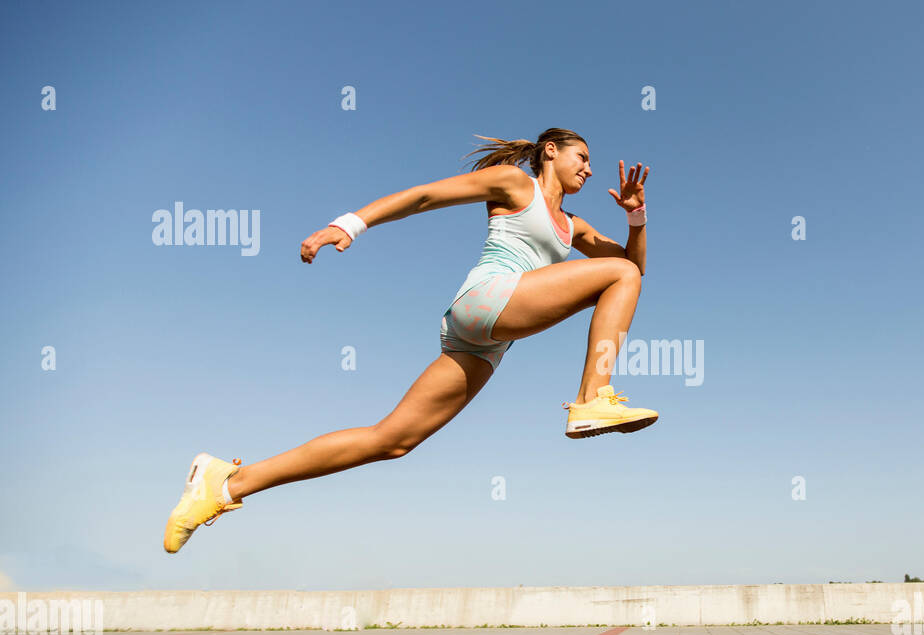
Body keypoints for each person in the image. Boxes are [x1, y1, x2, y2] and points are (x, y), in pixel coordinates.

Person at [163, 128, 657, 554]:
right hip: (487, 299)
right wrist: (349, 223)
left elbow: (634, 268)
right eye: (583, 158)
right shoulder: (514, 184)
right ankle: (593, 398)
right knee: (614, 275)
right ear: (550, 151)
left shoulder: (575, 227)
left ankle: (225, 483)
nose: (589, 170)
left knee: (393, 440)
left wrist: (636, 217)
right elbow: (425, 196)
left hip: (487, 341)